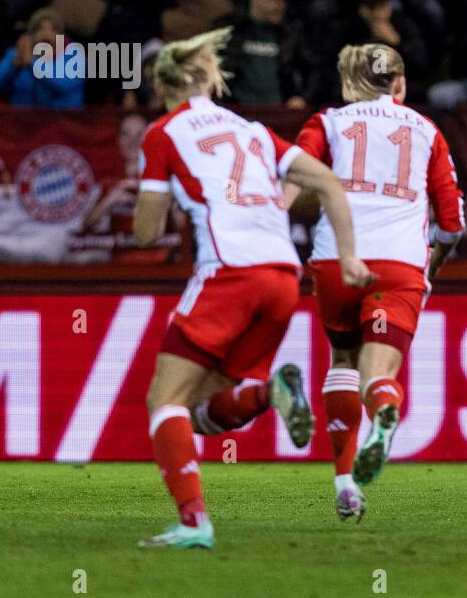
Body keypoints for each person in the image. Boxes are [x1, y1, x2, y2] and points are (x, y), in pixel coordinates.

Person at [132, 28, 372, 549]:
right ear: (208, 79)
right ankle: (268, 394)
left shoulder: (162, 134)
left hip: (229, 274)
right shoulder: (255, 131)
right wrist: (348, 255)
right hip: (284, 278)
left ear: (160, 85)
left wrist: (160, 198)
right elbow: (328, 181)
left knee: (163, 400)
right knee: (203, 409)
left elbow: (146, 234)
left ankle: (194, 523)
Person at [291, 43, 465, 521]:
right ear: (400, 84)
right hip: (401, 264)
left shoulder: (326, 123)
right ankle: (383, 414)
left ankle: (346, 485)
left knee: (342, 360)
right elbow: (452, 223)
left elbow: (294, 171)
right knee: (379, 375)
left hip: (335, 259)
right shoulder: (428, 131)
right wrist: (434, 267)